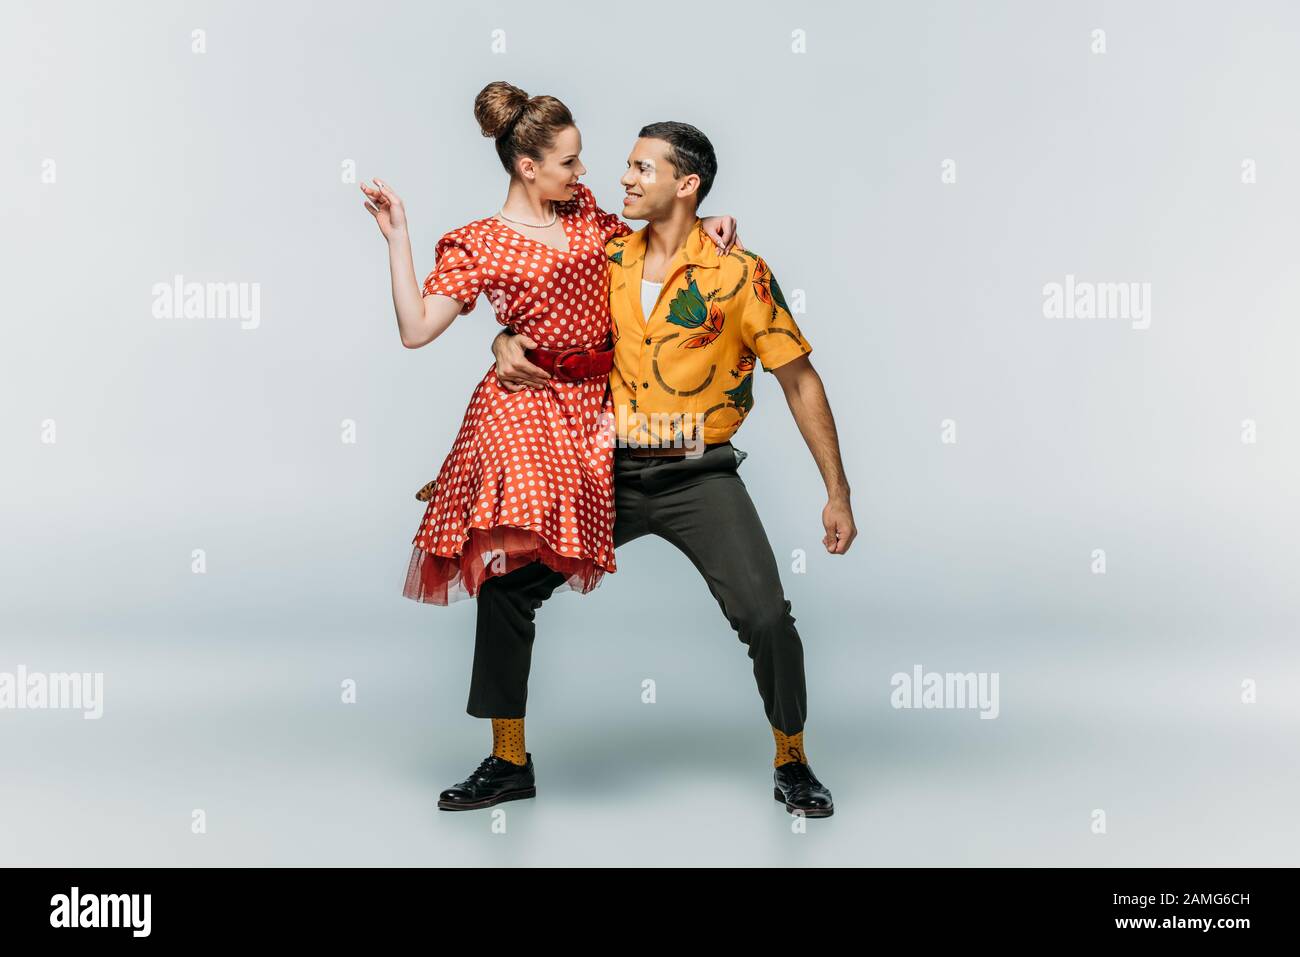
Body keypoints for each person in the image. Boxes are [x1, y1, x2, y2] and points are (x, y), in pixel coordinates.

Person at [360, 82, 739, 810]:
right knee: (504, 573)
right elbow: (415, 328)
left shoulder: (586, 212)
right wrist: (399, 235)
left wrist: (707, 220)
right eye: (568, 161)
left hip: (599, 403)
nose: (583, 170)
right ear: (528, 165)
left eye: (581, 159)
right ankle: (507, 759)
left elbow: (648, 249)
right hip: (523, 405)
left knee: (681, 470)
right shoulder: (482, 242)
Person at [485, 122, 857, 818]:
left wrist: (837, 491)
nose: (624, 178)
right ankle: (508, 761)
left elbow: (800, 381)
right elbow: (537, 305)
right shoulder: (604, 258)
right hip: (605, 470)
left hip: (698, 473)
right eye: (626, 166)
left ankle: (793, 759)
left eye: (642, 168)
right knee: (504, 585)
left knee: (768, 617)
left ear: (685, 184)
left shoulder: (739, 272)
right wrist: (503, 335)